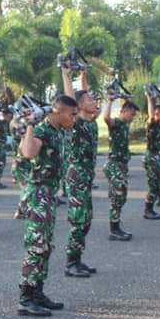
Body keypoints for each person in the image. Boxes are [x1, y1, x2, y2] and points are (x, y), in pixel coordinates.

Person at [17, 95, 78, 317]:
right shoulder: (42, 130)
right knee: (36, 246)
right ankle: (25, 297)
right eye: (72, 114)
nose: (75, 118)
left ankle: (37, 292)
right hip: (38, 194)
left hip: (49, 194)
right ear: (58, 112)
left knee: (45, 246)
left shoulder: (57, 131)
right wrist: (30, 124)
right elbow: (29, 153)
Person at [61, 65, 100, 277]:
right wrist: (66, 75)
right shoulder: (75, 124)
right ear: (79, 106)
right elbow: (71, 100)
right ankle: (70, 263)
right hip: (76, 177)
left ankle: (77, 259)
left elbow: (82, 97)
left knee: (86, 219)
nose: (94, 102)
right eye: (90, 100)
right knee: (78, 220)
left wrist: (83, 76)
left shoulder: (91, 123)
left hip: (86, 179)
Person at [103, 96, 137, 241]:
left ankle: (116, 226)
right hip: (114, 164)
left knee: (120, 196)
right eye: (132, 114)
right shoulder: (116, 123)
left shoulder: (124, 125)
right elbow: (106, 118)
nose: (133, 117)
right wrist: (110, 101)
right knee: (118, 194)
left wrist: (128, 99)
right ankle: (114, 229)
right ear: (124, 112)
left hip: (122, 165)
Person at [143, 94, 160, 220]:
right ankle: (148, 210)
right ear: (156, 114)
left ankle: (151, 208)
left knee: (158, 184)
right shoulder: (151, 124)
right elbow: (151, 114)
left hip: (158, 158)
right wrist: (149, 98)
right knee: (153, 185)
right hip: (151, 158)